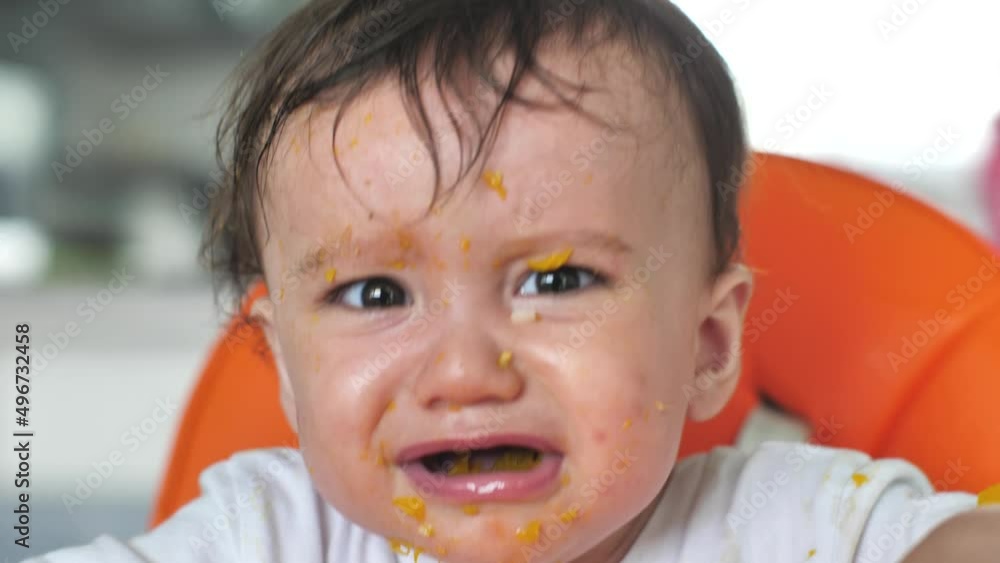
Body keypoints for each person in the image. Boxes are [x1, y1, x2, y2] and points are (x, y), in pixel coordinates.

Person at [24, 1, 999, 561]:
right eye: (374, 293)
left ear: (706, 344)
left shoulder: (793, 528)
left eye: (557, 278)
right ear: (282, 368)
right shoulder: (273, 536)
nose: (463, 371)